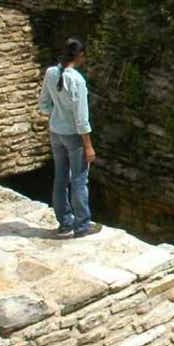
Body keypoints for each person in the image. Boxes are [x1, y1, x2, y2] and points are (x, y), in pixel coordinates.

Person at [39, 38, 100, 237]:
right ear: (80, 56)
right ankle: (82, 225)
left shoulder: (50, 73)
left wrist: (58, 115)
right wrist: (89, 146)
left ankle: (65, 222)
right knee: (79, 180)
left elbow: (44, 105)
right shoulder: (77, 81)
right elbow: (82, 119)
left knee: (60, 178)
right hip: (74, 136)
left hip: (56, 132)